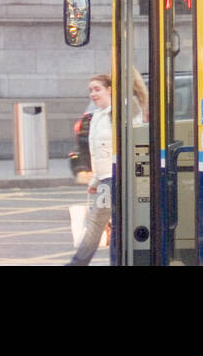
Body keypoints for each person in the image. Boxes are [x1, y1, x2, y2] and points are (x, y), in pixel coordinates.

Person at [67, 73, 144, 265]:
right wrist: (94, 180)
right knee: (111, 222)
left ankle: (78, 263)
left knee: (95, 222)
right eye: (90, 90)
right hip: (105, 178)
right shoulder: (97, 116)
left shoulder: (121, 111)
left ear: (110, 89)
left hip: (116, 176)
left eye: (97, 89)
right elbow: (96, 153)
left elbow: (135, 136)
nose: (93, 94)